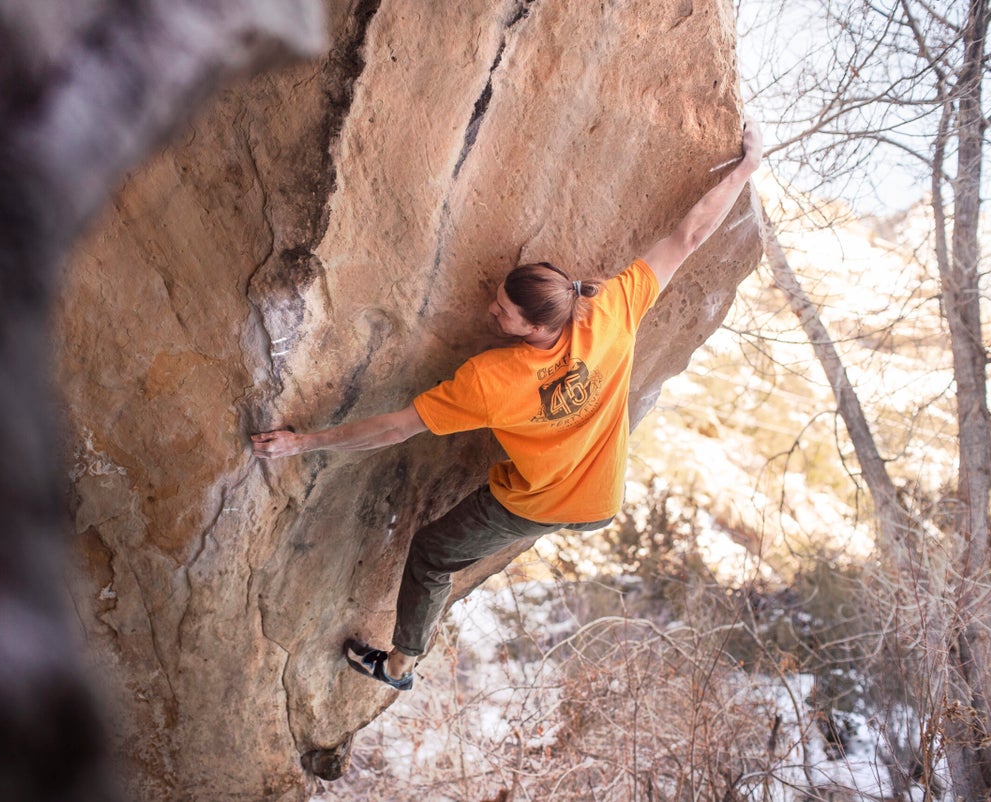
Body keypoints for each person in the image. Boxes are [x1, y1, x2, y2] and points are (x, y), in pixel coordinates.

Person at [252, 119, 763, 691]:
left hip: (542, 500)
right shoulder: (610, 312)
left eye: (503, 313)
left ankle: (399, 666)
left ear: (536, 326)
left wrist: (305, 442)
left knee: (432, 554)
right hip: (601, 497)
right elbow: (688, 237)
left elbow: (395, 429)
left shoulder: (492, 378)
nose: (491, 313)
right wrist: (746, 167)